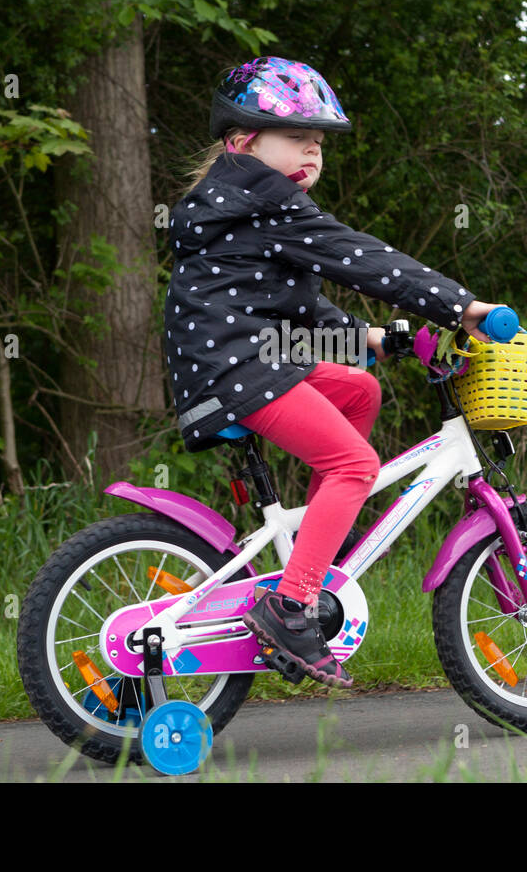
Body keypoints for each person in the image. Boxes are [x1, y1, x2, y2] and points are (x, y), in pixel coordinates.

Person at [164, 56, 498, 688]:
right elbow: (360, 257)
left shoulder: (238, 205)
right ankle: (292, 605)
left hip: (236, 357)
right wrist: (462, 306)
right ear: (243, 142)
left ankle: (312, 569)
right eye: (297, 138)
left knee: (359, 389)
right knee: (354, 465)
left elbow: (285, 306)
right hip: (240, 366)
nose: (312, 153)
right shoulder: (264, 199)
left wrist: (369, 338)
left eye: (318, 143)